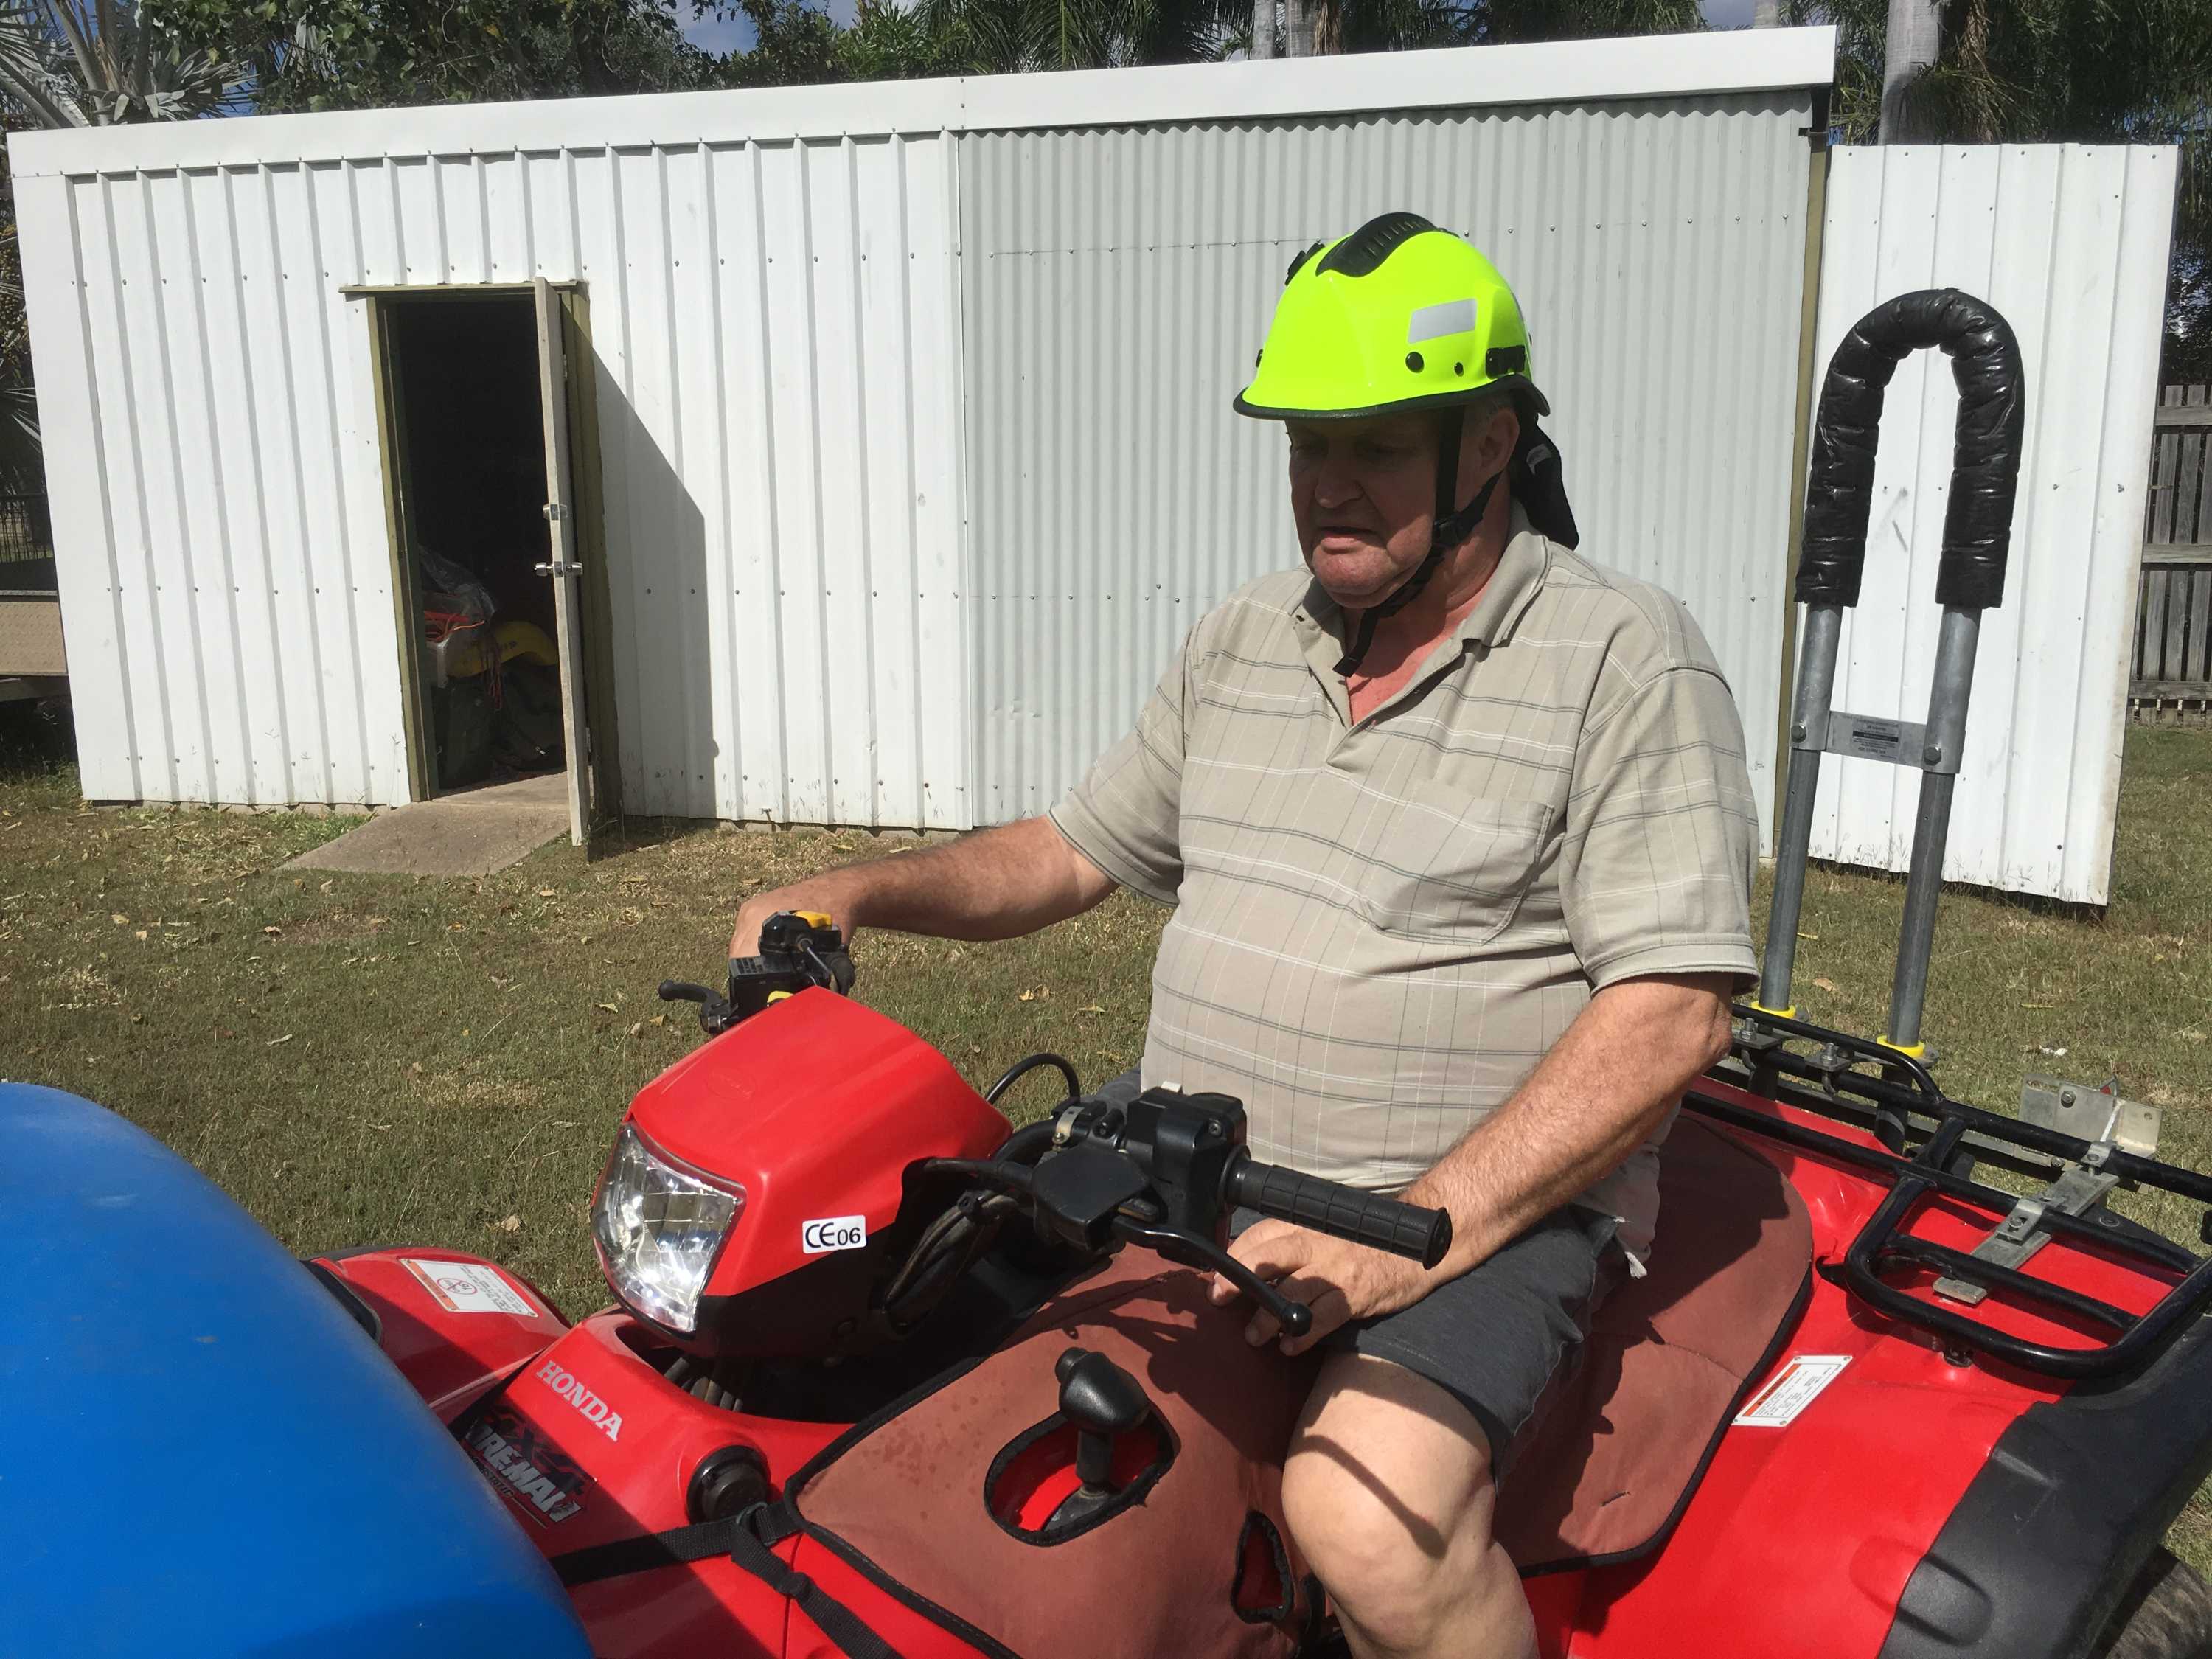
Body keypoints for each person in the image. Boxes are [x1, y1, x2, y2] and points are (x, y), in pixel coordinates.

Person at [730, 211, 1760, 1659]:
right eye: (1303, 442)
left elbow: (1672, 1013)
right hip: (1189, 1173)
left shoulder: (1622, 655)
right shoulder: (1246, 639)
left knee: (1370, 1519)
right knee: (921, 1380)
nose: (1326, 482)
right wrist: (855, 890)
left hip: (1463, 1218)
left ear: (1491, 445)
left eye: (1376, 445)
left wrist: (1408, 1245)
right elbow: (1069, 851)